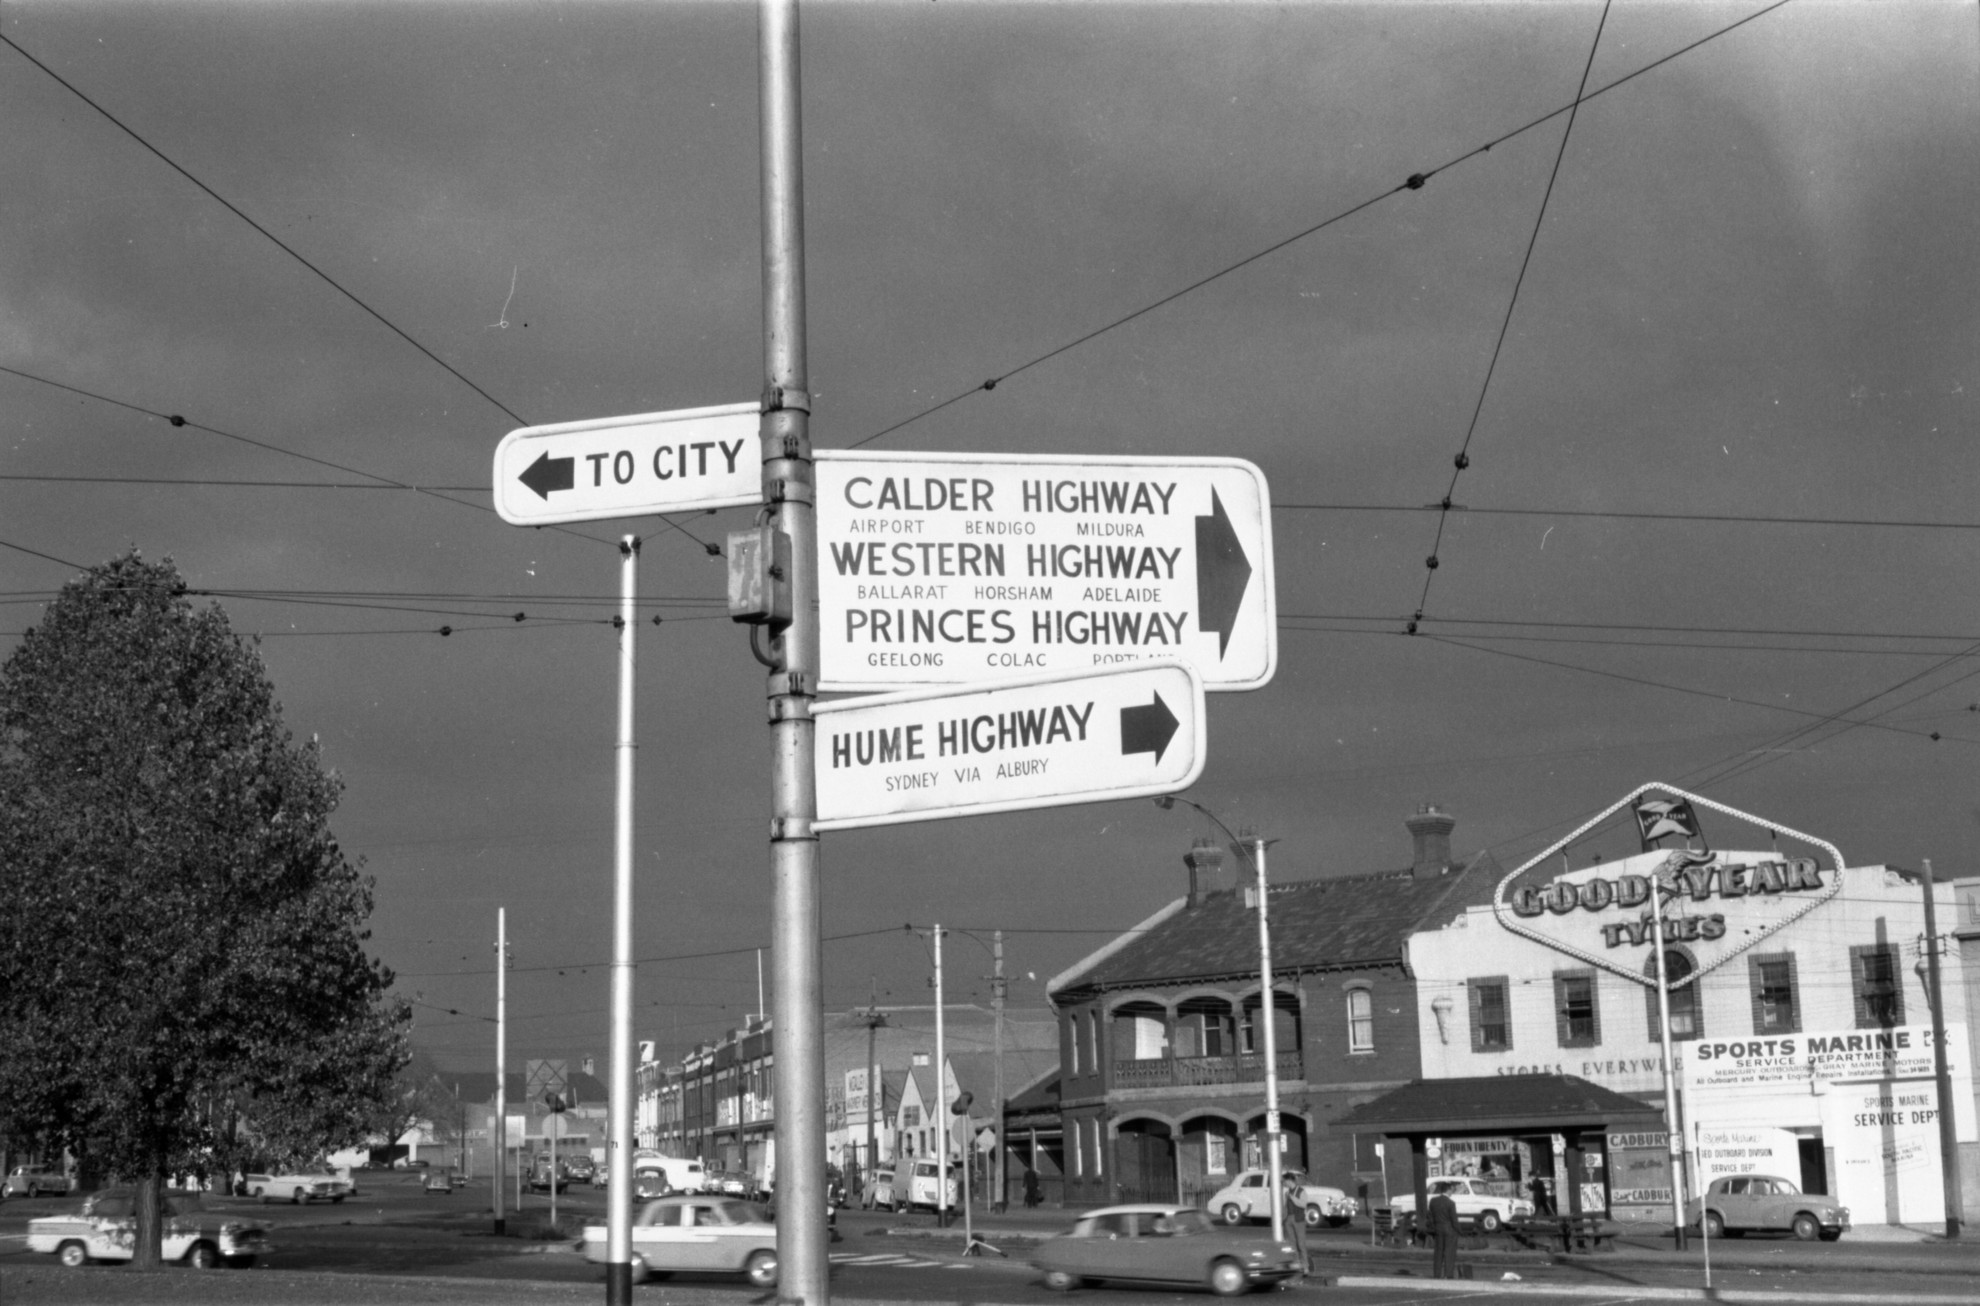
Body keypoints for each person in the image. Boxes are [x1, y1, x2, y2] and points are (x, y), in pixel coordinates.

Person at [1428, 1187, 1462, 1279]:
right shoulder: (1451, 1203)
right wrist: (1460, 1230)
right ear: (1448, 1190)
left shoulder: (1433, 1201)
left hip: (1438, 1229)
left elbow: (1430, 1216)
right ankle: (1448, 1274)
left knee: (1438, 1252)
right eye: (1452, 1190)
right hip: (1449, 1229)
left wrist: (1433, 1227)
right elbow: (1454, 1220)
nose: (1452, 1192)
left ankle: (1437, 1274)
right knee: (1449, 1252)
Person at [1281, 1174, 1311, 1275]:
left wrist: (1292, 1198)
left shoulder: (1301, 1191)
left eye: (1285, 1181)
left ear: (1290, 1180)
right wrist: (1283, 1218)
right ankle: (1297, 1265)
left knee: (1301, 1244)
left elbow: (1303, 1204)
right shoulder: (1287, 1192)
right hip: (1289, 1218)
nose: (1284, 1183)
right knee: (1292, 1244)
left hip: (1299, 1219)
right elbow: (1285, 1206)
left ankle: (1305, 1266)